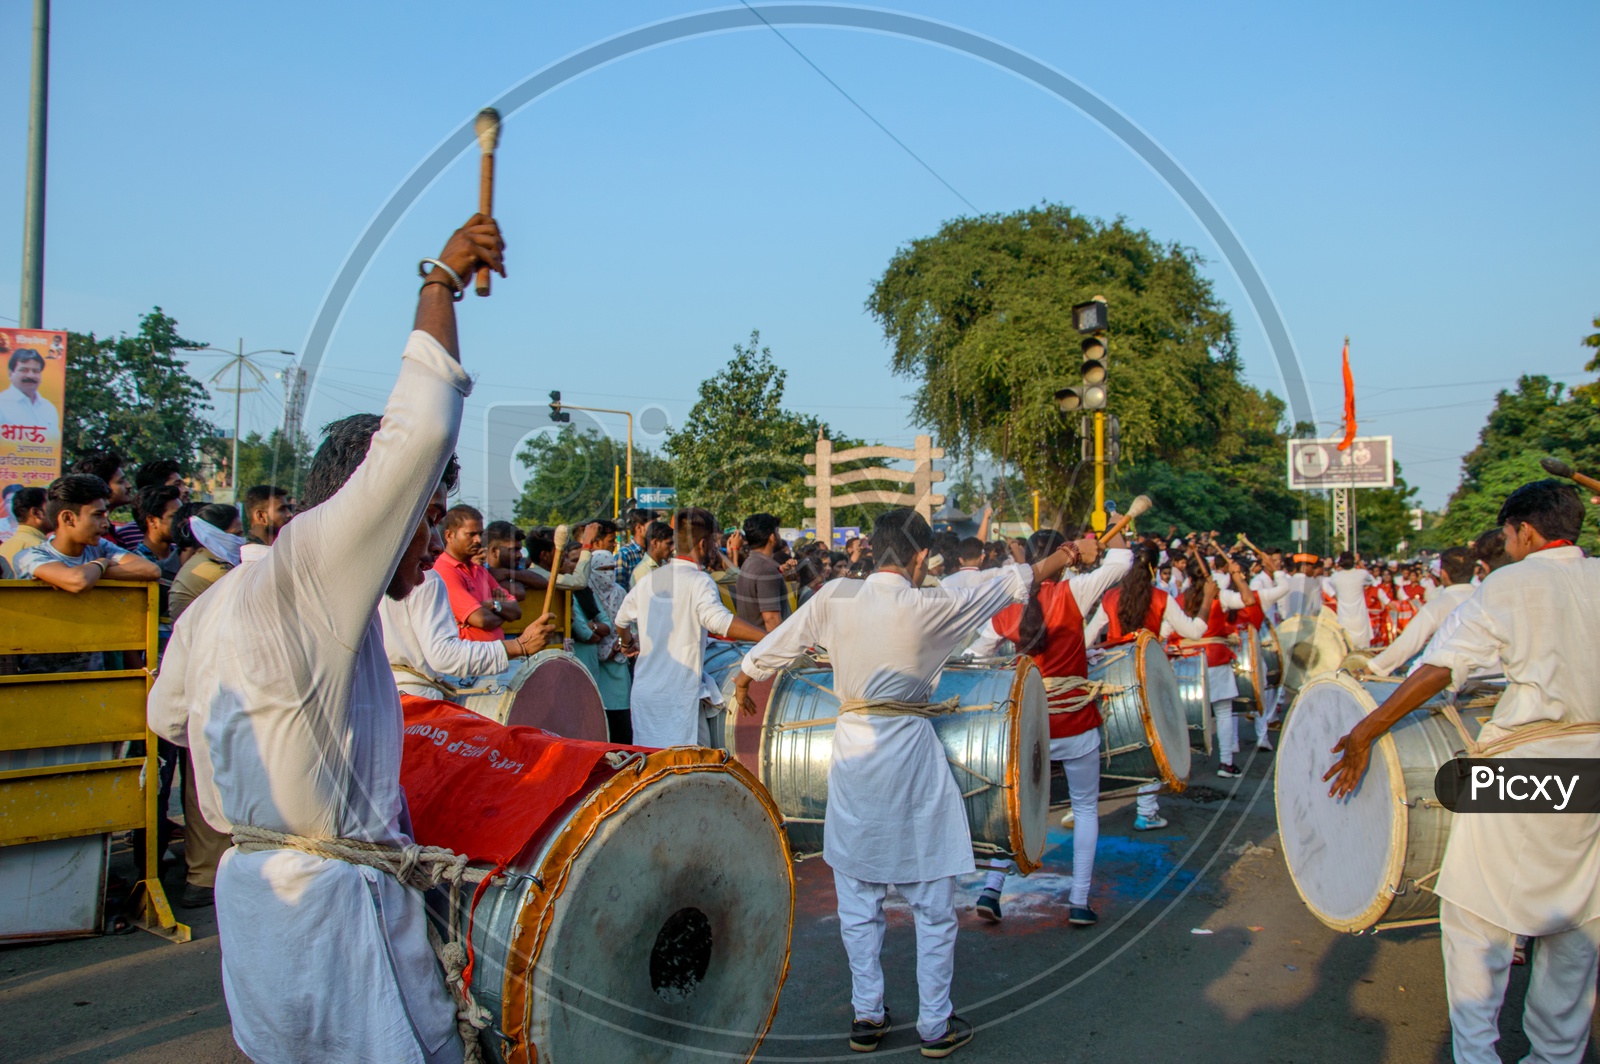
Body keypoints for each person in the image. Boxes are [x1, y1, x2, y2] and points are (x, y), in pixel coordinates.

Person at [148, 212, 505, 1062]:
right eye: (420, 518)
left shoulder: (215, 604)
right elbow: (418, 431)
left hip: (261, 910)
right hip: (333, 916)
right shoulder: (314, 561)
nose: (424, 539)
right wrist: (442, 278)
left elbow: (167, 717)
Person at [733, 508, 1090, 1058]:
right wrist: (1064, 558)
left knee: (858, 901)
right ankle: (933, 1026)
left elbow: (776, 646)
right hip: (910, 759)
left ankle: (867, 1017)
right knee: (932, 905)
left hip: (851, 752)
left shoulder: (834, 597)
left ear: (875, 550)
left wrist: (744, 674)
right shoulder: (934, 606)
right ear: (921, 557)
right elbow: (1014, 579)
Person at [1326, 480, 1600, 1064]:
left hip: (1526, 766)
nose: (1506, 544)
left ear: (1525, 531)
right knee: (1577, 921)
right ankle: (1557, 1057)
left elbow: (1438, 671)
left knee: (1476, 917)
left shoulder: (1510, 583)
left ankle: (1477, 1055)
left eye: (1506, 534)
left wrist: (1364, 730)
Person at [964, 528, 1132, 926]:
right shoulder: (1077, 592)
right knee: (1086, 808)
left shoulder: (1006, 609)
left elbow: (972, 656)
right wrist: (1106, 530)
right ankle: (1077, 901)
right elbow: (1123, 561)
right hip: (1075, 724)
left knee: (1013, 807)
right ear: (1065, 558)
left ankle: (992, 888)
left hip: (1027, 728)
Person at [1082, 541, 1209, 834]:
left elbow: (1087, 640)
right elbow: (1195, 631)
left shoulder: (1111, 597)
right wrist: (1207, 600)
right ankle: (1146, 812)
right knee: (1152, 742)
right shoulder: (1162, 598)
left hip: (1111, 677)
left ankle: (1083, 809)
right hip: (1147, 679)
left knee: (1100, 743)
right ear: (1154, 567)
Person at [614, 507, 768, 747]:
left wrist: (627, 643)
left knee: (658, 772)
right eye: (715, 543)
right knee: (685, 774)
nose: (716, 548)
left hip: (646, 694)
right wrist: (770, 637)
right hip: (676, 698)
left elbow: (621, 621)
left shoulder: (649, 580)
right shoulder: (699, 580)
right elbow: (718, 621)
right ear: (703, 543)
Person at [1177, 549, 1260, 777]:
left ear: (1190, 578)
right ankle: (1226, 763)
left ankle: (1181, 765)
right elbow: (1249, 600)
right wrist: (1237, 577)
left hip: (1187, 663)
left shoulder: (1179, 599)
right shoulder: (1219, 596)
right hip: (1215, 660)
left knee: (1183, 715)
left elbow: (1166, 632)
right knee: (1223, 712)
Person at [1362, 546, 1475, 677]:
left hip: (1445, 680)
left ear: (1443, 573)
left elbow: (1407, 645)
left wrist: (1371, 668)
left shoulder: (1437, 606)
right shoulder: (1483, 598)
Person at [433, 504, 521, 642]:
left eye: (480, 534)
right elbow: (481, 619)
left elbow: (516, 611)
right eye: (471, 534)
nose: (478, 540)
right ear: (449, 535)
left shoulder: (479, 570)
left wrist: (492, 605)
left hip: (493, 657)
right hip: (468, 659)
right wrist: (502, 611)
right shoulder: (444, 570)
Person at [169, 504, 244, 623]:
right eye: (236, 535)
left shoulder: (205, 560)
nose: (242, 540)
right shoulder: (212, 570)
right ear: (216, 534)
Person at [131, 484, 185, 638]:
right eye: (174, 517)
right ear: (152, 521)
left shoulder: (184, 558)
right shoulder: (134, 564)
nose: (181, 523)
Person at [735, 512, 791, 633]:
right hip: (765, 647)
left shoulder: (749, 563)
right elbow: (771, 619)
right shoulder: (766, 570)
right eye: (777, 532)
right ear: (772, 537)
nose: (779, 536)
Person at [0, 346, 59, 436]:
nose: (30, 376)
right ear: (11, 374)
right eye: (24, 370)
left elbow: (54, 444)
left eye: (36, 371)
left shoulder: (49, 408)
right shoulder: (2, 404)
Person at [1324, 551, 1375, 647]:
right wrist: (1361, 563)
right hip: (1360, 617)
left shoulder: (1336, 577)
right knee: (1363, 649)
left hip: (1344, 617)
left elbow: (1324, 582)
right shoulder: (1362, 574)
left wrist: (1334, 595)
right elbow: (1372, 580)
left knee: (1346, 646)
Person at [0, 486, 51, 569]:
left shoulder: (4, 546)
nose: (57, 512)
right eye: (52, 507)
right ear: (37, 513)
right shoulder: (40, 548)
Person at [614, 507, 655, 591]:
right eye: (652, 527)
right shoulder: (624, 554)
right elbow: (620, 589)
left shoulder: (653, 552)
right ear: (639, 528)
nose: (655, 530)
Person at [630, 519, 674, 585]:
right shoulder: (642, 571)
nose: (672, 548)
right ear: (655, 543)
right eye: (669, 544)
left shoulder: (666, 566)